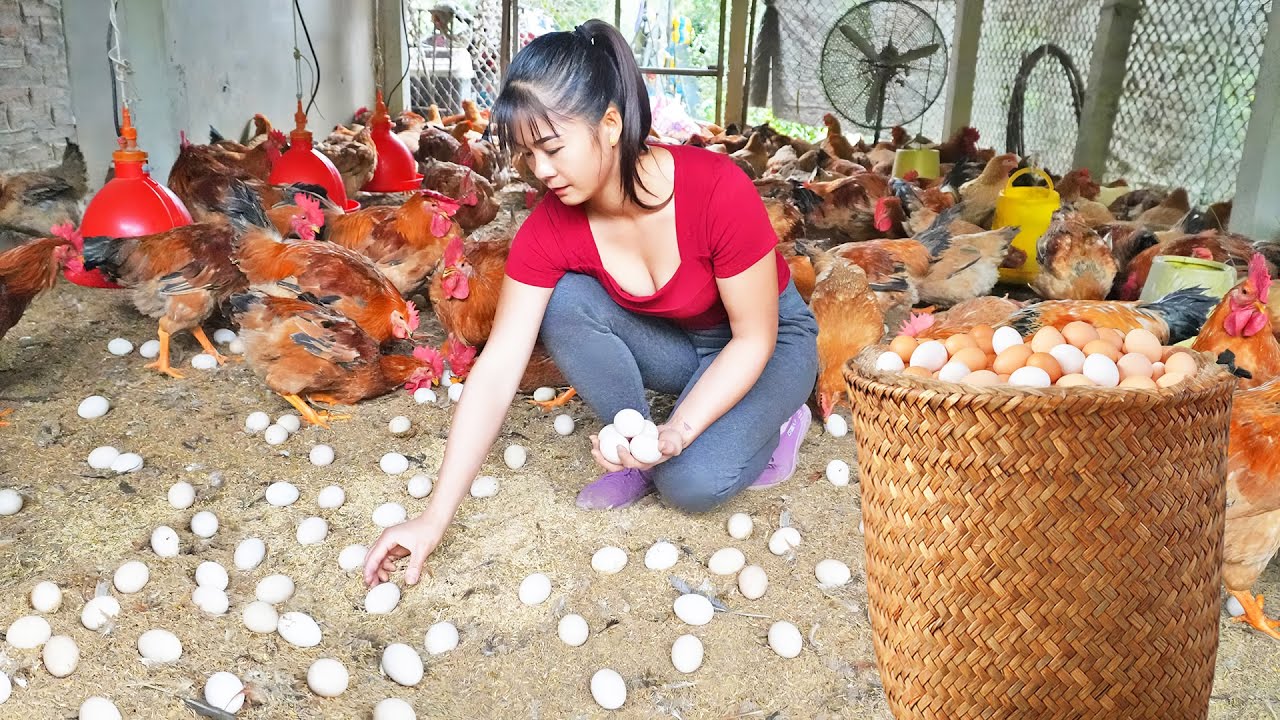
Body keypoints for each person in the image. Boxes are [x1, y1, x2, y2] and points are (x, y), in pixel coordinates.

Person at [364, 19, 818, 588]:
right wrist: (433, 517)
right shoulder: (549, 227)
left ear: (609, 124)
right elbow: (500, 364)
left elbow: (754, 337)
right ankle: (630, 436)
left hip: (768, 343)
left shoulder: (717, 188)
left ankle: (781, 418)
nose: (542, 171)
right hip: (686, 345)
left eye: (553, 148)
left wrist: (677, 433)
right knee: (563, 299)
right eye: (529, 155)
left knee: (689, 483)